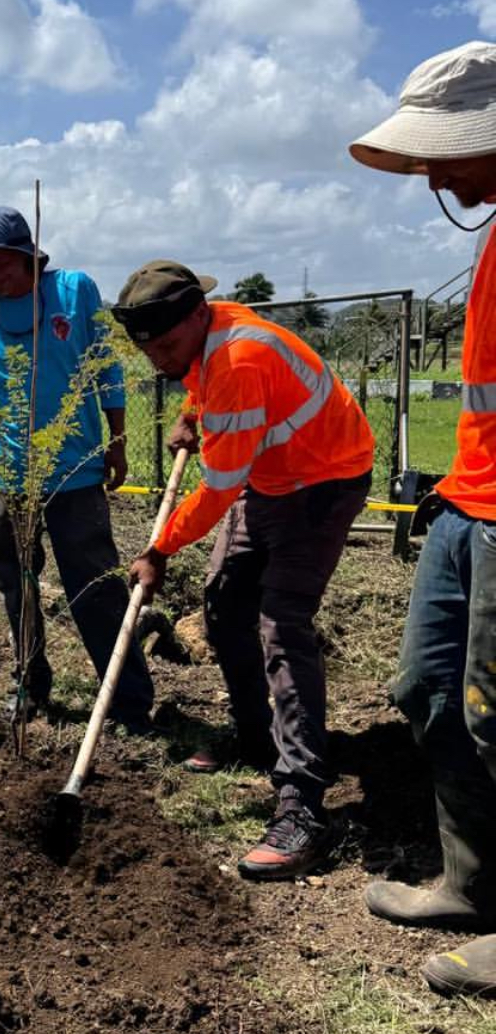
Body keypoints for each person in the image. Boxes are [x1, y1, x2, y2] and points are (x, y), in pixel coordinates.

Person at [118, 260, 374, 881]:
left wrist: (159, 549)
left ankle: (302, 802)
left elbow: (217, 490)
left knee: (282, 624)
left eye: (167, 346)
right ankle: (256, 736)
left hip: (322, 480)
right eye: (149, 351)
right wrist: (193, 409)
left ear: (197, 315)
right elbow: (203, 379)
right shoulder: (209, 340)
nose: (160, 360)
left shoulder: (240, 358)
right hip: (271, 476)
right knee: (225, 603)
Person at [348, 41, 496, 997]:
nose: (433, 176)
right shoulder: (494, 237)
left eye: (446, 152)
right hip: (467, 499)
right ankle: (471, 882)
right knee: (428, 689)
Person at [0, 204, 155, 730]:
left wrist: (118, 441)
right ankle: (30, 684)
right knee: (18, 586)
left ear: (28, 256)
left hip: (74, 473)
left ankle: (127, 700)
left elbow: (104, 366)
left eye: (1, 263)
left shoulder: (73, 292)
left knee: (96, 587)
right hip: (7, 479)